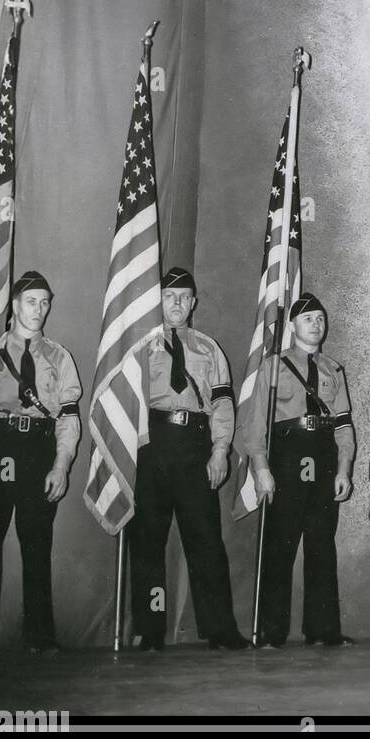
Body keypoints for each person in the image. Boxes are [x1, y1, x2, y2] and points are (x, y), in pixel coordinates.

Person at [129, 267, 246, 650]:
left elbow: (223, 403)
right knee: (148, 542)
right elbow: (129, 403)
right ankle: (150, 629)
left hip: (196, 444)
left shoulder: (208, 348)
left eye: (184, 296)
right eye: (169, 296)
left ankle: (220, 628)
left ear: (194, 303)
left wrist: (219, 450)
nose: (177, 303)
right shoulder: (141, 347)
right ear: (158, 301)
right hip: (153, 443)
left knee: (206, 541)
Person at [0, 270, 81, 665]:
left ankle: (39, 635)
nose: (39, 309)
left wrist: (62, 464)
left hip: (39, 448)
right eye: (31, 301)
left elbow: (68, 417)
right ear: (14, 305)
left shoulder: (59, 357)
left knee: (37, 544)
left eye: (45, 301)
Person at [238, 292, 356, 648]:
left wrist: (344, 468)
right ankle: (271, 632)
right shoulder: (273, 367)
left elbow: (344, 426)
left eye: (320, 318)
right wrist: (261, 468)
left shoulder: (334, 369)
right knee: (280, 544)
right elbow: (256, 424)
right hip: (287, 455)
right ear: (292, 326)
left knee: (322, 543)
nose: (316, 324)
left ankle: (322, 631)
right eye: (308, 319)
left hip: (323, 454)